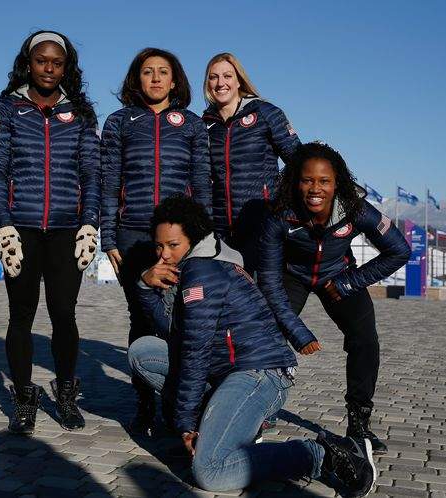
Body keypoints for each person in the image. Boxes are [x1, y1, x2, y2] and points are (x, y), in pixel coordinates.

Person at [128, 196, 376, 495]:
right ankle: (226, 425)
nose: (164, 255)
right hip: (229, 370)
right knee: (143, 351)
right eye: (159, 246)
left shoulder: (201, 272)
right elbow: (174, 333)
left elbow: (194, 354)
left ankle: (324, 455)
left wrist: (186, 424)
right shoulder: (199, 263)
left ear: (193, 239)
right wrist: (144, 286)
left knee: (211, 472)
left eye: (173, 245)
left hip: (261, 373)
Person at [258, 142, 411, 455]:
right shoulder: (279, 215)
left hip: (338, 277)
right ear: (295, 182)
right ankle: (260, 413)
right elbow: (270, 282)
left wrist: (350, 282)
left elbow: (399, 250)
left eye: (324, 181)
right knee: (266, 336)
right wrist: (296, 331)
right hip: (292, 276)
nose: (315, 189)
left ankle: (359, 425)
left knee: (365, 341)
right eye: (307, 180)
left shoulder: (357, 209)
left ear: (337, 183)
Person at [0, 30, 100, 434]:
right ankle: (23, 397)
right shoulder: (8, 108)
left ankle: (66, 394)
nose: (48, 68)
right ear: (28, 63)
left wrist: (90, 223)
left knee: (64, 314)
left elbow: (92, 172)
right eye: (41, 60)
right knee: (21, 315)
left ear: (66, 67)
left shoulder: (82, 113)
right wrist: (3, 225)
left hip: (68, 230)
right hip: (21, 228)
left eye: (57, 62)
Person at [100, 47, 212, 435]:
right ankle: (145, 402)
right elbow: (109, 182)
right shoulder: (119, 121)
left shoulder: (192, 124)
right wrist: (108, 236)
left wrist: (203, 234)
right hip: (133, 233)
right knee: (143, 314)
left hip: (180, 235)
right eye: (148, 72)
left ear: (175, 80)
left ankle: (180, 395)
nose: (156, 78)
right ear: (137, 78)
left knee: (182, 312)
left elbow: (202, 183)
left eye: (163, 72)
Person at [202, 53, 301, 272]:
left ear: (239, 81)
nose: (220, 83)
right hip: (220, 232)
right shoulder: (205, 124)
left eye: (227, 76)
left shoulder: (265, 113)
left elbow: (299, 162)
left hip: (261, 226)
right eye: (213, 77)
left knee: (261, 291)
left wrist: (282, 206)